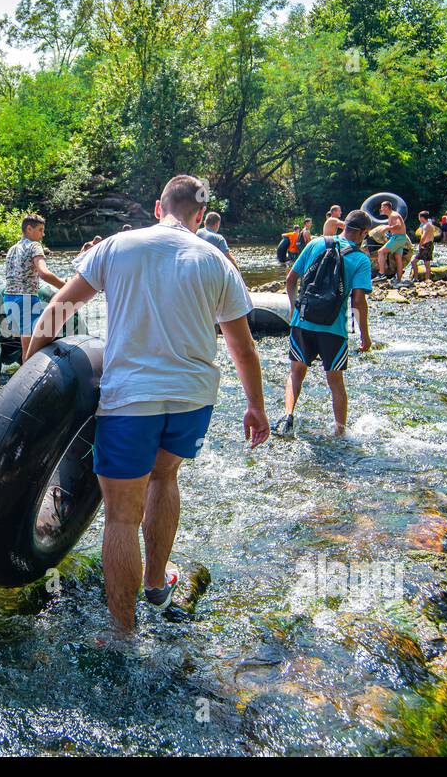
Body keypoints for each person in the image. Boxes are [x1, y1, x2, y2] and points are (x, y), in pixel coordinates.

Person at [28, 175, 270, 634]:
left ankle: (124, 633)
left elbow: (57, 310)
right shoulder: (217, 261)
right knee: (165, 475)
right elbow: (244, 348)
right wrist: (256, 406)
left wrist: (30, 378)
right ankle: (157, 583)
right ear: (200, 217)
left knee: (122, 514)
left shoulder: (117, 246)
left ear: (158, 205)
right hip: (192, 398)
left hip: (129, 400)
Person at [274, 210, 373, 438]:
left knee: (295, 373)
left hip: (303, 322)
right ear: (364, 233)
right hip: (334, 329)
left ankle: (288, 415)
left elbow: (291, 280)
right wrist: (364, 336)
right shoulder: (360, 259)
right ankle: (339, 433)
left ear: (343, 226)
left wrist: (293, 311)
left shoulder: (316, 244)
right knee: (336, 383)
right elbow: (358, 300)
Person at [3, 213, 65, 361]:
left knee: (26, 346)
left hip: (8, 299)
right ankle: (30, 380)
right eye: (40, 230)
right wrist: (66, 286)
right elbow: (43, 273)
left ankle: (24, 376)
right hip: (26, 299)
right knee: (32, 350)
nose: (43, 234)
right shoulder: (34, 246)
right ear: (29, 229)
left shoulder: (12, 249)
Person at [376, 210, 408, 279]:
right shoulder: (393, 215)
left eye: (382, 207)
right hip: (402, 238)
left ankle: (381, 274)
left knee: (381, 252)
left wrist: (387, 228)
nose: (381, 209)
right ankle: (399, 279)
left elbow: (398, 225)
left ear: (386, 208)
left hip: (397, 238)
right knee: (398, 258)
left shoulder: (393, 215)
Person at [408, 210, 437, 281]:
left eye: (419, 217)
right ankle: (427, 279)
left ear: (422, 217)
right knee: (427, 263)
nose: (418, 218)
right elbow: (432, 237)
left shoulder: (426, 226)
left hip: (426, 245)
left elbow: (423, 237)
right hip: (430, 244)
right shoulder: (430, 225)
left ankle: (416, 278)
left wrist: (420, 245)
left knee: (413, 261)